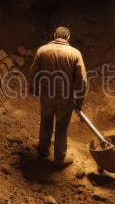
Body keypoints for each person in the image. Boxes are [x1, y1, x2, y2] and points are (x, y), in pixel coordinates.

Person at [28, 26, 87, 168]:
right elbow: (82, 81)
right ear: (68, 37)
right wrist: (79, 102)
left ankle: (43, 151)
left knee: (45, 121)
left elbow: (33, 73)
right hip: (64, 99)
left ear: (54, 35)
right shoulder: (75, 53)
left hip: (46, 95)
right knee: (61, 127)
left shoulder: (42, 50)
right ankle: (59, 158)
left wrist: (34, 90)